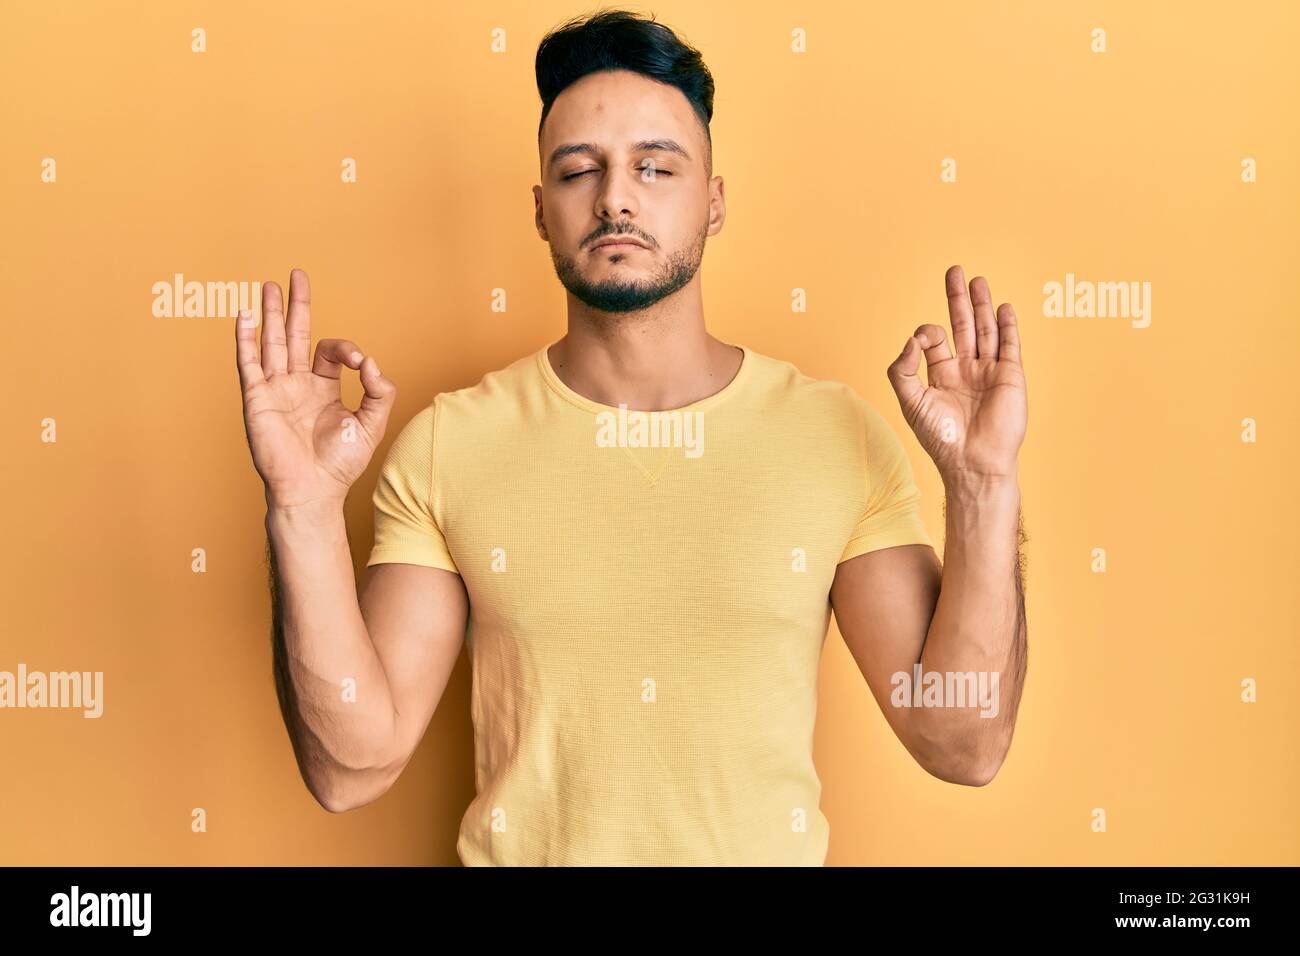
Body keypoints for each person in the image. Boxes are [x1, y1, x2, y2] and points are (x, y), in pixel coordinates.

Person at [235, 9, 1029, 866]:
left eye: (656, 167)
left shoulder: (837, 438)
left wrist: (983, 486)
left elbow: (964, 743)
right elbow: (350, 767)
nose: (616, 196)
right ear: (542, 211)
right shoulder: (447, 446)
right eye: (581, 170)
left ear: (714, 201)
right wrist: (304, 511)